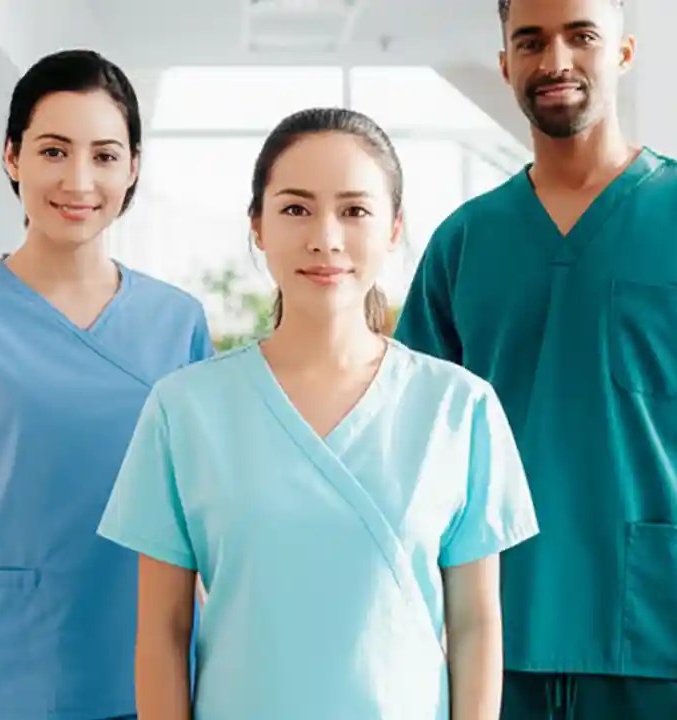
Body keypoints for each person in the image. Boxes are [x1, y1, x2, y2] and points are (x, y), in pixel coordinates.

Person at [394, 0, 677, 718]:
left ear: (622, 52)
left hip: (664, 637)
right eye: (530, 41)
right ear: (505, 64)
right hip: (495, 638)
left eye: (581, 36)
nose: (555, 60)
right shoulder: (464, 243)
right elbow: (417, 456)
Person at [96, 107, 540, 720]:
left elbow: (476, 626)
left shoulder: (458, 409)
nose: (325, 238)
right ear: (257, 225)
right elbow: (163, 633)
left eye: (354, 210)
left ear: (394, 227)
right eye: (296, 208)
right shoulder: (185, 409)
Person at [0, 49, 212, 720]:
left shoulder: (178, 322)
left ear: (133, 167)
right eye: (54, 151)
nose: (79, 180)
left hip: (147, 667)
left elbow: (195, 520)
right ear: (12, 156)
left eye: (106, 156)